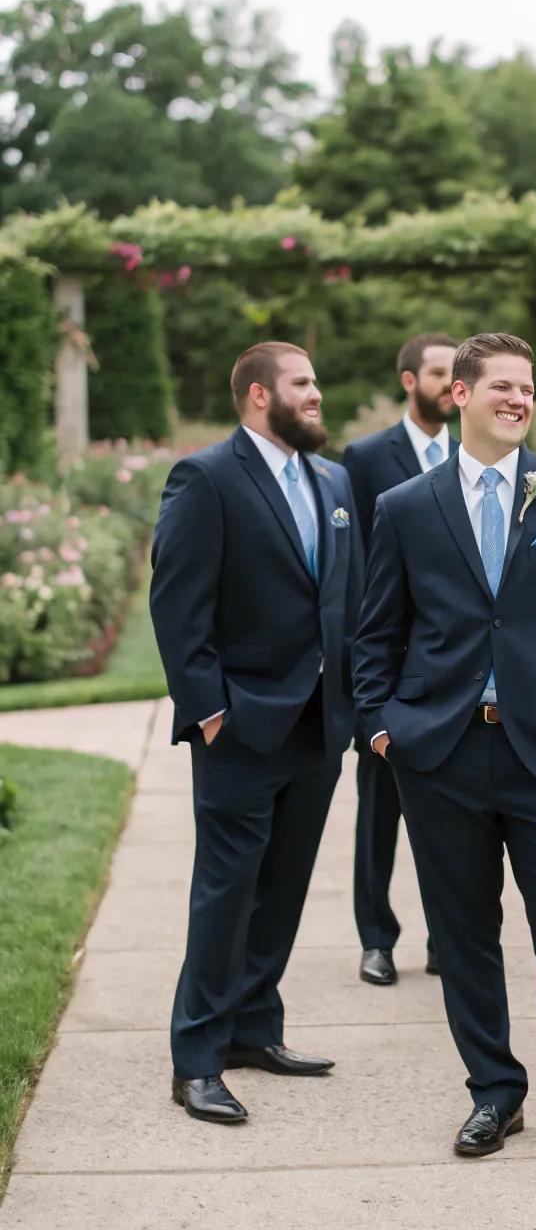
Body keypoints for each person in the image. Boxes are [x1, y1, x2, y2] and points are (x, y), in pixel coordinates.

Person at [353, 332, 536, 1159]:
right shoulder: (405, 505)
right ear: (460, 396)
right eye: (502, 386)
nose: (518, 400)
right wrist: (383, 728)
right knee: (464, 933)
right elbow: (377, 635)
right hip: (440, 756)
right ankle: (494, 1094)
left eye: (528, 389)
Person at [150, 341, 364, 1125]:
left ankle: (252, 1029)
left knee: (284, 888)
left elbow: (349, 599)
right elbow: (178, 604)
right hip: (240, 725)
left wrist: (353, 702)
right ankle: (196, 1060)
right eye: (301, 382)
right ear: (257, 394)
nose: (316, 393)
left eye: (315, 380)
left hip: (319, 724)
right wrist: (210, 712)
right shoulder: (205, 478)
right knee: (226, 892)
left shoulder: (334, 480)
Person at [342, 332, 457, 986]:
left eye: (455, 373)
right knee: (378, 812)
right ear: (409, 380)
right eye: (438, 372)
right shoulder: (364, 459)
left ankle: (447, 936)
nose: (449, 383)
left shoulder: (478, 456)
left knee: (456, 818)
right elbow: (358, 569)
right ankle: (376, 938)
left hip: (458, 668)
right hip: (391, 668)